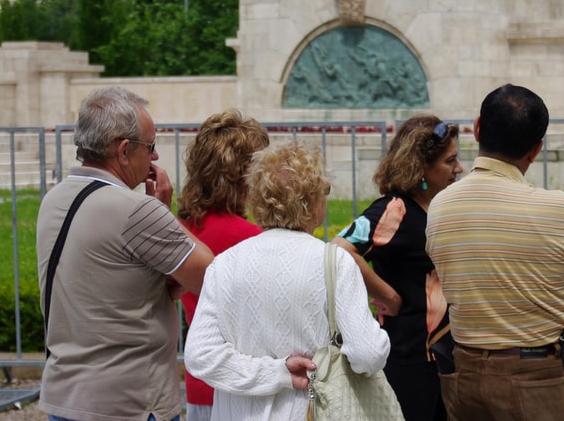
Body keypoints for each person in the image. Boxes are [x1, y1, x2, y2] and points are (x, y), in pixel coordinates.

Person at [425, 84, 564, 420]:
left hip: (465, 375)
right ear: (536, 149)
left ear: (478, 127)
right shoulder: (560, 208)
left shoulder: (439, 207)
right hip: (542, 379)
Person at [36, 86, 212, 421]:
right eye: (152, 146)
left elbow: (125, 283)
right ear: (124, 150)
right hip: (128, 403)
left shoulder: (53, 200)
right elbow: (207, 274)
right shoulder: (136, 210)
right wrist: (165, 212)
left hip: (65, 396)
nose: (155, 157)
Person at [184, 141, 391, 420]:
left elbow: (200, 355)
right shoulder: (334, 263)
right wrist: (381, 337)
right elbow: (367, 354)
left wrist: (275, 372)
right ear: (313, 203)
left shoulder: (225, 264)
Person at [334, 115, 463, 421]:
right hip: (411, 359)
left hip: (442, 357)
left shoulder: (437, 206)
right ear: (421, 167)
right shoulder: (396, 209)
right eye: (450, 161)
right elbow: (339, 249)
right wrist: (388, 295)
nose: (458, 168)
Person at [176, 110, 270, 421]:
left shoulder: (180, 227)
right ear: (244, 174)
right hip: (244, 387)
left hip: (200, 382)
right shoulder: (251, 238)